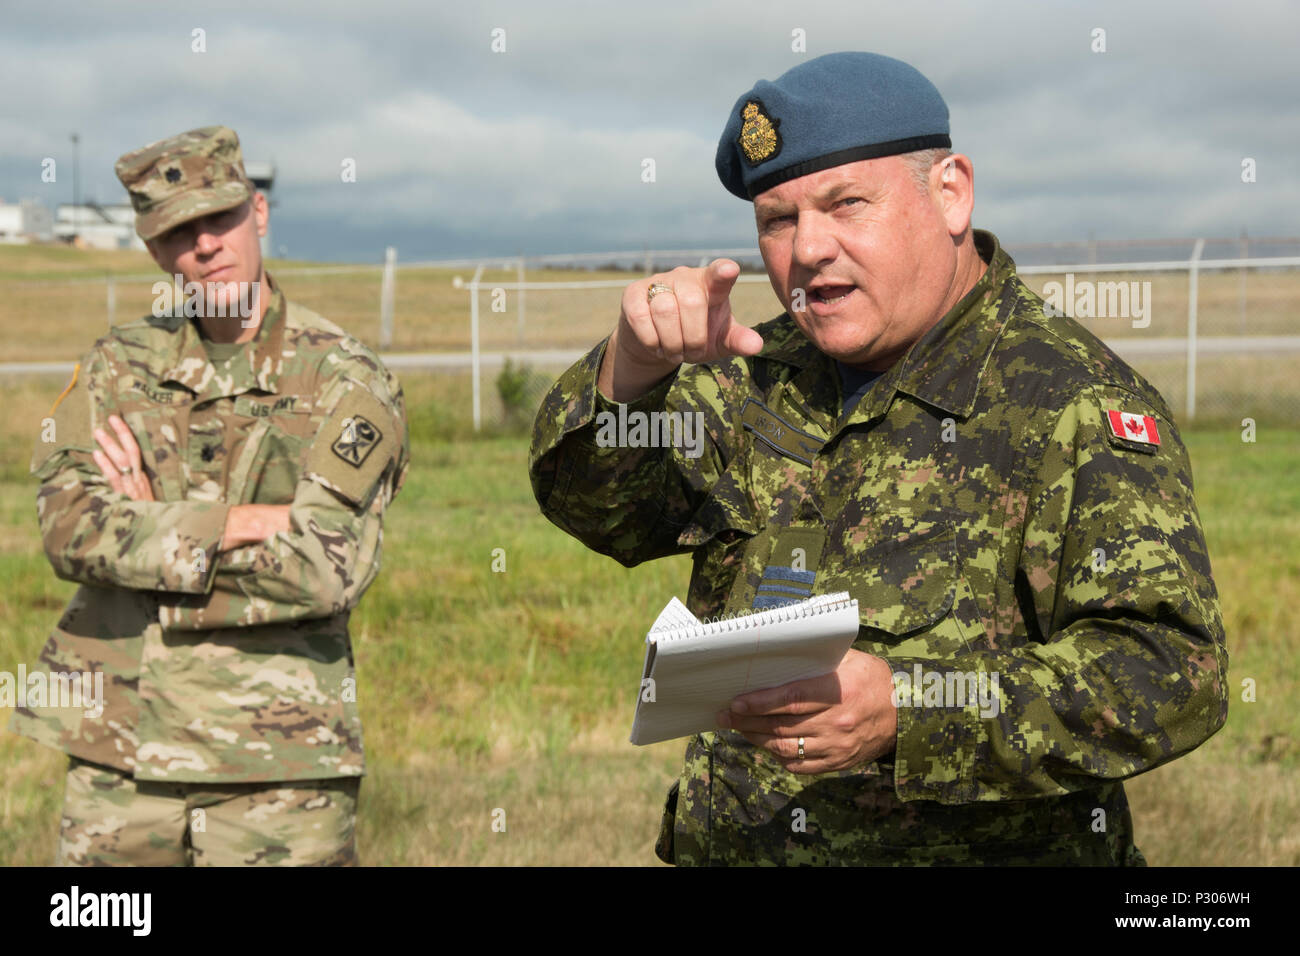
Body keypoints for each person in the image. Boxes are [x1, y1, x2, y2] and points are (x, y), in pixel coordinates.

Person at [529, 52, 1228, 865]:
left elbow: (1171, 674)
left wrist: (913, 709)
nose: (808, 249)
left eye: (846, 204)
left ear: (951, 192)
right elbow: (598, 509)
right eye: (777, 221)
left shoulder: (1070, 402)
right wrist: (633, 368)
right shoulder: (757, 372)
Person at [8, 126, 409, 865]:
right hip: (116, 757)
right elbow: (66, 528)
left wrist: (146, 528)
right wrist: (242, 523)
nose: (204, 244)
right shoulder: (117, 366)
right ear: (154, 251)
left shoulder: (343, 378)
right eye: (177, 230)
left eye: (219, 217)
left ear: (258, 211)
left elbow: (326, 566)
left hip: (278, 764)